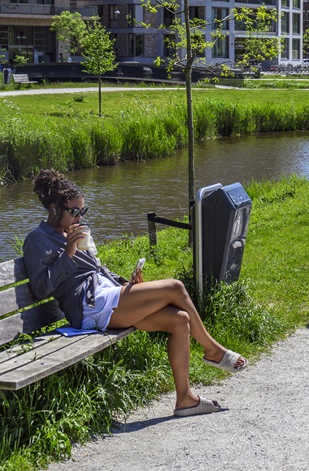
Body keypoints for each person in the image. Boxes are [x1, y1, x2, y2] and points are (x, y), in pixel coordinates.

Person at [23, 169, 248, 417]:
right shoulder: (38, 239)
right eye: (74, 211)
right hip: (87, 307)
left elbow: (96, 269)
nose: (79, 217)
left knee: (179, 319)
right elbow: (41, 288)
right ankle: (212, 350)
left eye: (82, 211)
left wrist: (125, 283)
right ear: (54, 209)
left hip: (105, 296)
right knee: (176, 287)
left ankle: (185, 399)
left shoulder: (74, 233)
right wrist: (68, 252)